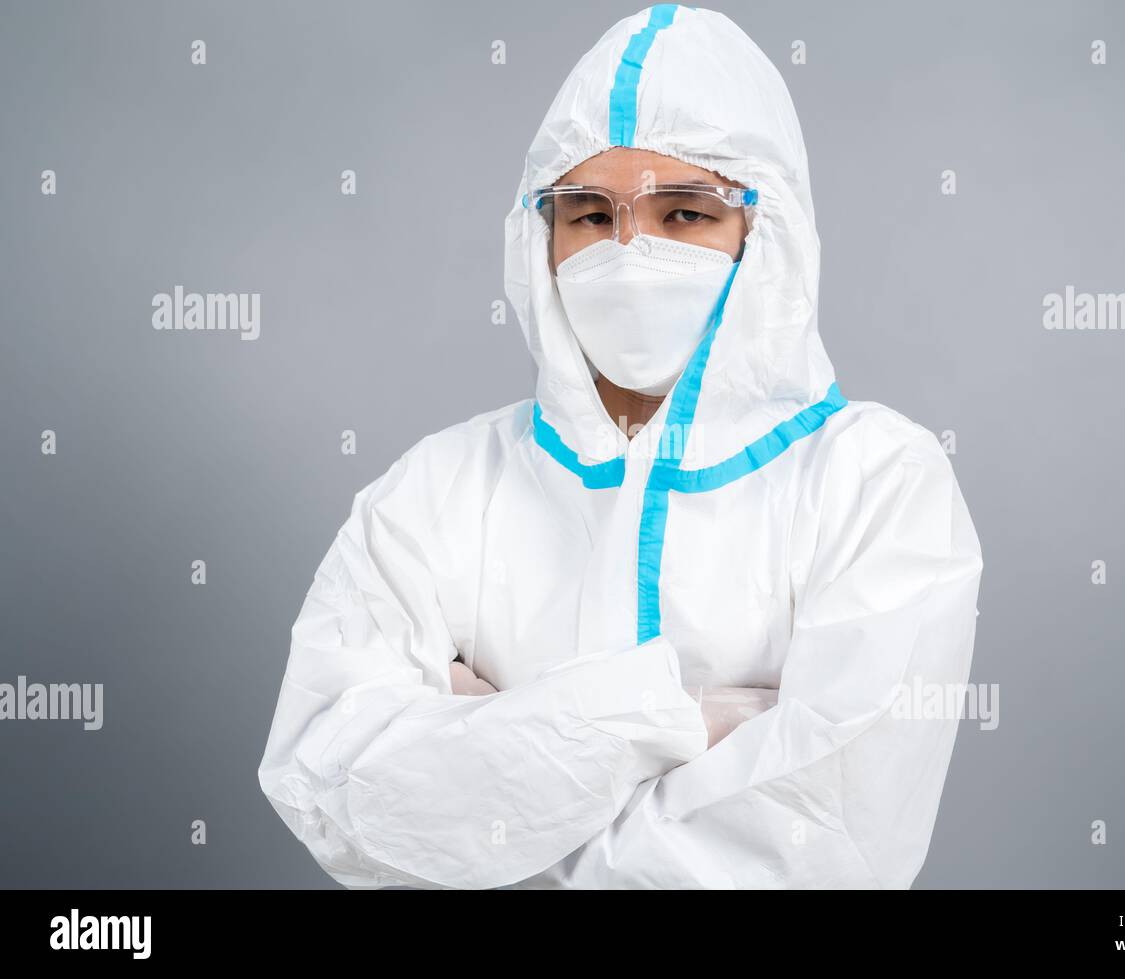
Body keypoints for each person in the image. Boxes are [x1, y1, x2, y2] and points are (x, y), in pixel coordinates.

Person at [257, 4, 983, 890]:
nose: (631, 250)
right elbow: (334, 791)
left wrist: (506, 755)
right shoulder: (436, 491)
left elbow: (828, 839)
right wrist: (674, 721)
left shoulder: (878, 482)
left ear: (767, 234)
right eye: (591, 214)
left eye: (685, 213)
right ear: (542, 238)